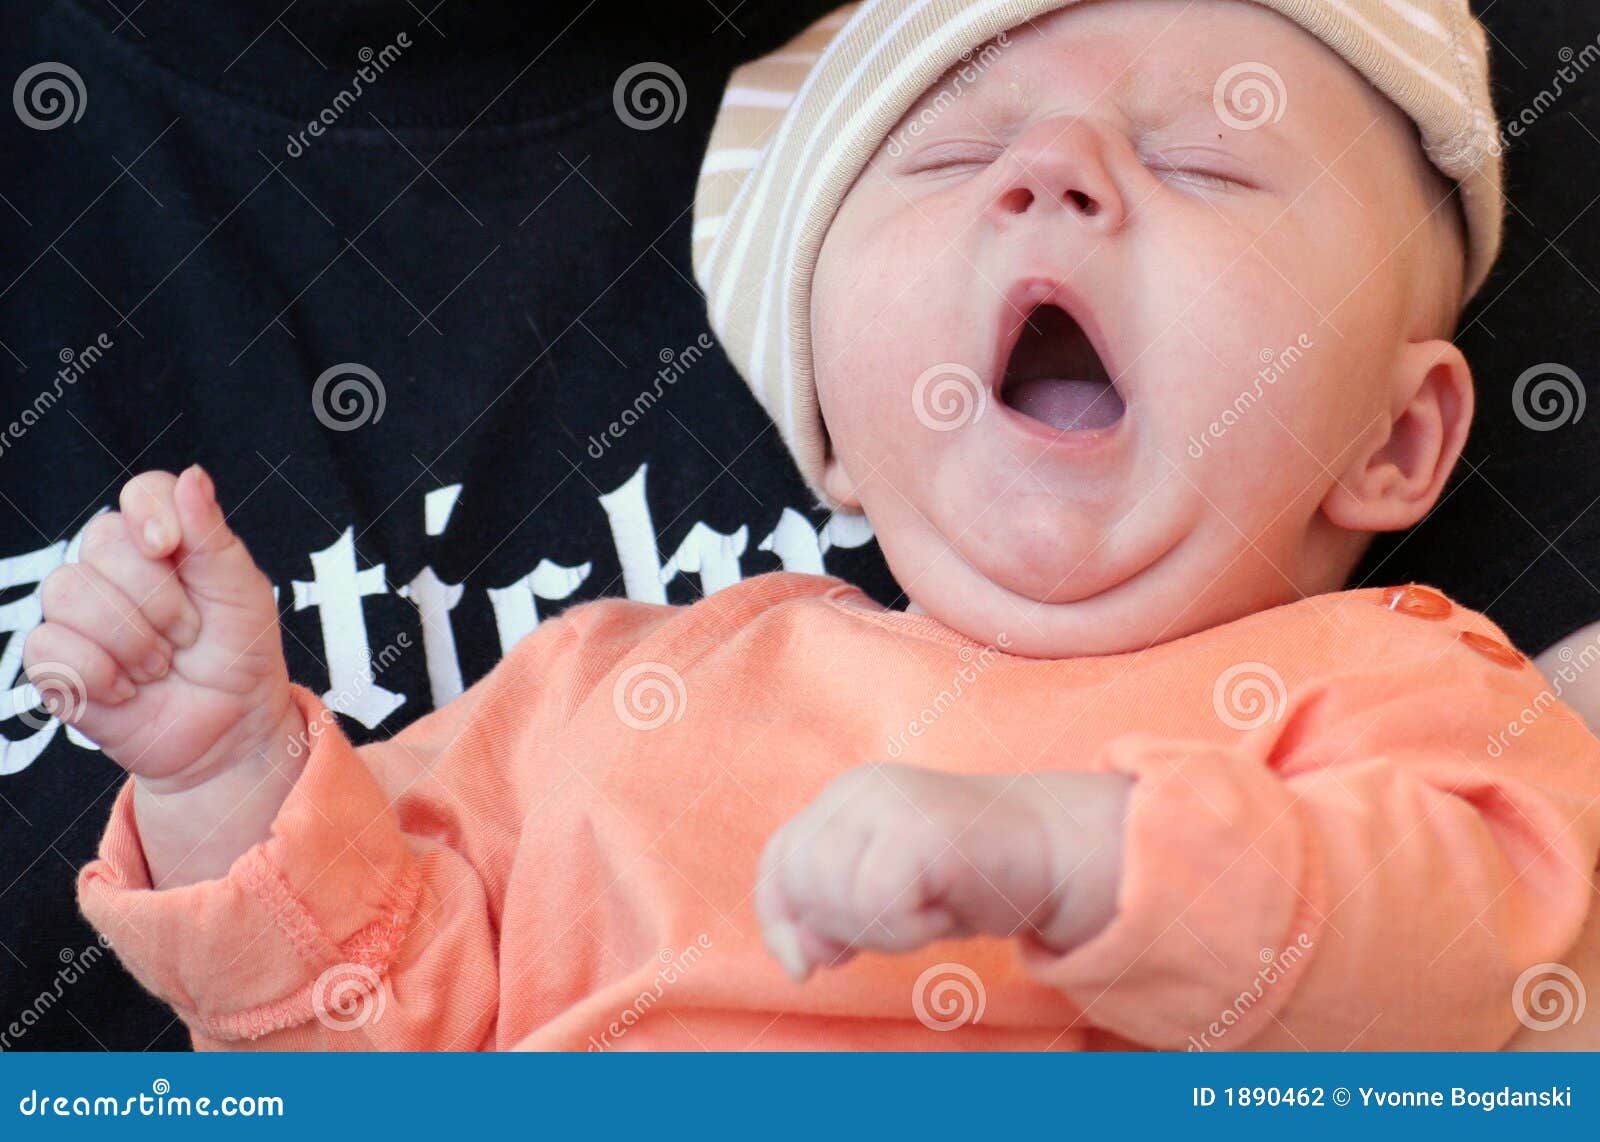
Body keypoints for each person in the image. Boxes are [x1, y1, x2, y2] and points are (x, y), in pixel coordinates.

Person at [32, 0, 1600, 1050]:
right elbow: (366, 1048)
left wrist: (1103, 862)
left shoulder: (1413, 697)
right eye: (960, 153)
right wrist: (233, 773)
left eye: (1202, 160)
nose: (1055, 177)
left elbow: (1520, 977)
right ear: (829, 425)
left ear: (1398, 441)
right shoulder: (600, 694)